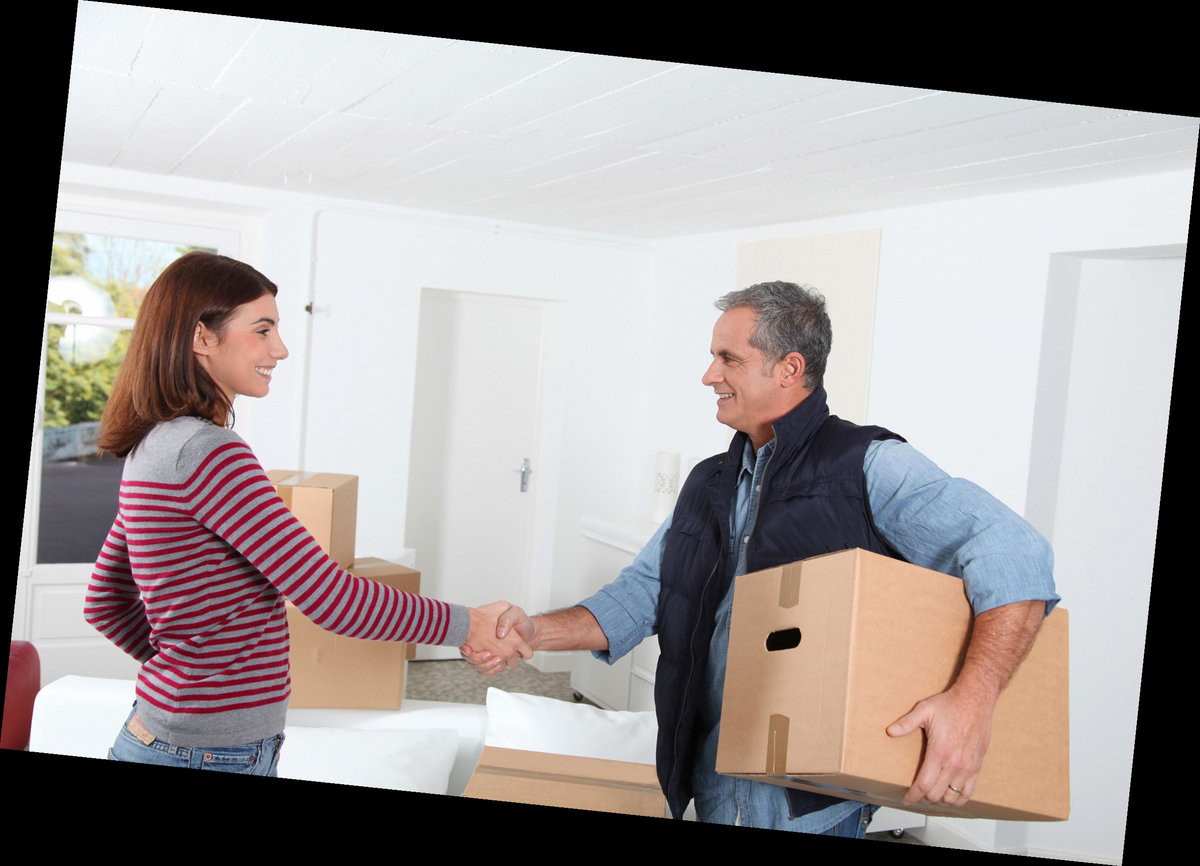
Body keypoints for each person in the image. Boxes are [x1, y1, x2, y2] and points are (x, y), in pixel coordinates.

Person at [464, 280, 1059, 837]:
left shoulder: (868, 464)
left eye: (729, 359)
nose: (708, 375)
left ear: (790, 369)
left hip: (804, 793)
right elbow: (643, 592)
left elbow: (1013, 551)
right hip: (708, 768)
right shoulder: (709, 481)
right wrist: (532, 631)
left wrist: (971, 702)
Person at [84, 250, 529, 775]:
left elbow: (103, 602)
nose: (281, 349)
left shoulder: (155, 446)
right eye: (263, 329)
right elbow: (331, 598)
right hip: (209, 752)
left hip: (163, 731)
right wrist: (469, 624)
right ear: (202, 337)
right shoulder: (206, 452)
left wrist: (188, 677)